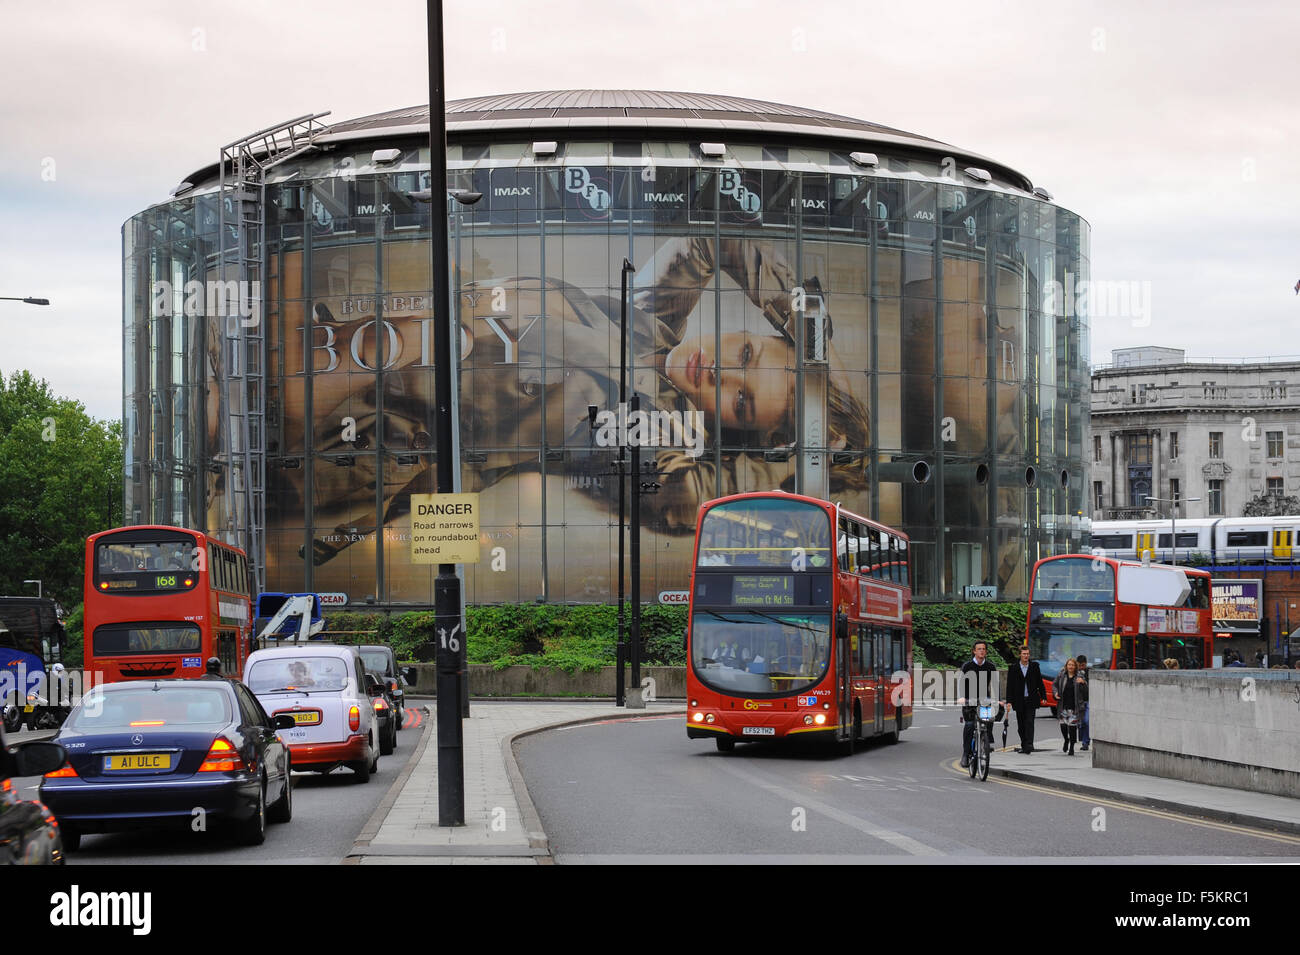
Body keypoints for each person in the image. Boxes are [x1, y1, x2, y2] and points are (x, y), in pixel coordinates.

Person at [957, 640, 1002, 768]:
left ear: (986, 652)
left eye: (983, 649)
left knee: (989, 718)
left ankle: (987, 739)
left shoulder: (990, 667)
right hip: (969, 701)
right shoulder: (967, 666)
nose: (981, 651)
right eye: (979, 649)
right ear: (974, 651)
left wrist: (998, 699)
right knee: (970, 725)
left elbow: (995, 685)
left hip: (984, 699)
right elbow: (960, 684)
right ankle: (966, 754)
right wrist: (961, 697)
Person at [1004, 645, 1044, 753]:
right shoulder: (1014, 668)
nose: (1026, 656)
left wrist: (1043, 696)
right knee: (1021, 725)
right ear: (1020, 655)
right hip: (1019, 700)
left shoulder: (1034, 666)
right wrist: (1009, 702)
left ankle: (1029, 744)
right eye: (1024, 654)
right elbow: (1010, 687)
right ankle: (1024, 744)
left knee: (1030, 722)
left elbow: (1039, 682)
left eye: (1027, 654)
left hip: (1031, 699)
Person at [1053, 658, 1086, 755]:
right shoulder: (1062, 675)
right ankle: (1066, 740)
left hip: (1074, 707)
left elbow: (1086, 692)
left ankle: (1071, 746)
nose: (1070, 667)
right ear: (1066, 666)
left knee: (1072, 728)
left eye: (1072, 665)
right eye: (1069, 665)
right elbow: (1054, 685)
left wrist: (1083, 683)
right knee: (1063, 726)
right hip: (1063, 706)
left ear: (1075, 666)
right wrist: (1055, 693)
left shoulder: (1080, 676)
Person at [1074, 654, 1091, 751]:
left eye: (1083, 665)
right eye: (1079, 665)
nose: (1081, 667)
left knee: (1086, 720)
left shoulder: (1090, 673)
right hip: (1078, 701)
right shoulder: (1074, 672)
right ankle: (1082, 740)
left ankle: (1086, 742)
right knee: (1080, 723)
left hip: (1088, 700)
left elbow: (1091, 689)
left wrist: (1084, 682)